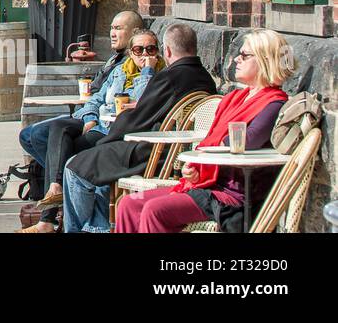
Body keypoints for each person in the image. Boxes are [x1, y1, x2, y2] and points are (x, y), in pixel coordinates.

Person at [115, 29, 293, 233]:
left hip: (230, 195)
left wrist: (207, 158)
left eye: (244, 55)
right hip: (207, 184)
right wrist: (195, 167)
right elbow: (216, 140)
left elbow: (246, 141)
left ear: (264, 60)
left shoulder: (273, 102)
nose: (236, 59)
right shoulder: (234, 98)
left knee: (156, 210)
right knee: (128, 204)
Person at [61, 22, 216, 232]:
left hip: (155, 152)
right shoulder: (205, 77)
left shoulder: (170, 77)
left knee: (74, 167)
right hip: (178, 151)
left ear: (167, 50)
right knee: (95, 165)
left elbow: (139, 117)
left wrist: (117, 125)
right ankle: (98, 227)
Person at [18, 26, 163, 232]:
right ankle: (56, 188)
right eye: (139, 50)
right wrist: (89, 118)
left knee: (67, 155)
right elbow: (96, 97)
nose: (145, 55)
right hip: (99, 122)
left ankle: (50, 216)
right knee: (51, 130)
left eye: (150, 49)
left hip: (114, 132)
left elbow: (142, 100)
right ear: (131, 52)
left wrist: (147, 70)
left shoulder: (158, 75)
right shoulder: (120, 70)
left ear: (158, 51)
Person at [17, 10, 145, 202]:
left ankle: (64, 187)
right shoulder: (115, 61)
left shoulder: (135, 67)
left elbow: (134, 101)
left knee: (44, 135)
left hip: (106, 126)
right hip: (88, 114)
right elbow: (95, 97)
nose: (112, 33)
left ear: (135, 31)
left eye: (118, 28)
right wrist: (90, 116)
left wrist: (92, 117)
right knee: (29, 135)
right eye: (111, 28)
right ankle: (66, 184)